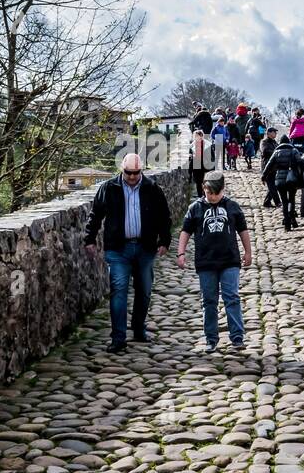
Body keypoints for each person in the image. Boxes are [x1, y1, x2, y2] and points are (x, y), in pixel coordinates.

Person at [83, 153, 171, 353]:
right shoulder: (109, 188)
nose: (132, 177)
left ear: (141, 170)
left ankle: (138, 329)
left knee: (144, 291)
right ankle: (118, 338)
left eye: (136, 173)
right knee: (119, 290)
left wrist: (164, 240)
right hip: (118, 249)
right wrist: (89, 239)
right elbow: (96, 214)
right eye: (128, 173)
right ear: (122, 169)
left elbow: (164, 216)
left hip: (145, 247)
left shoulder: (152, 188)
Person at [177, 169, 253, 352]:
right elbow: (185, 231)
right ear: (204, 188)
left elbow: (243, 230)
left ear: (223, 189)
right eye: (209, 192)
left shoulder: (233, 207)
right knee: (209, 300)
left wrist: (248, 252)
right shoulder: (195, 208)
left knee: (232, 297)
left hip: (229, 260)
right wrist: (181, 253)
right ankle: (211, 338)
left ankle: (237, 337)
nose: (212, 197)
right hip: (206, 262)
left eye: (216, 193)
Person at [263, 135, 303, 230]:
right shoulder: (294, 151)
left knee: (284, 201)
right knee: (291, 200)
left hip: (279, 180)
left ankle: (287, 223)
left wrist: (263, 176)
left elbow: (269, 165)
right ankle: (292, 219)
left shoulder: (276, 152)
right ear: (289, 142)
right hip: (292, 179)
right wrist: (299, 174)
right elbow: (300, 163)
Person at [187, 128, 217, 197]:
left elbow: (212, 157)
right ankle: (200, 196)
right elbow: (190, 156)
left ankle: (205, 195)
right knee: (198, 182)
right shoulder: (192, 146)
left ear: (202, 136)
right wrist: (190, 170)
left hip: (206, 166)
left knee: (205, 182)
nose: (197, 137)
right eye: (196, 136)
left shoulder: (207, 144)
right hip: (196, 165)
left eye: (198, 136)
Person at [260, 128, 280, 207]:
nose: (275, 133)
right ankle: (278, 202)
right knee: (272, 186)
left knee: (274, 186)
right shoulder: (264, 142)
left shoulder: (275, 142)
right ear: (269, 133)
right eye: (274, 132)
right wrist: (276, 153)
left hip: (275, 167)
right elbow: (265, 151)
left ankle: (267, 202)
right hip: (267, 167)